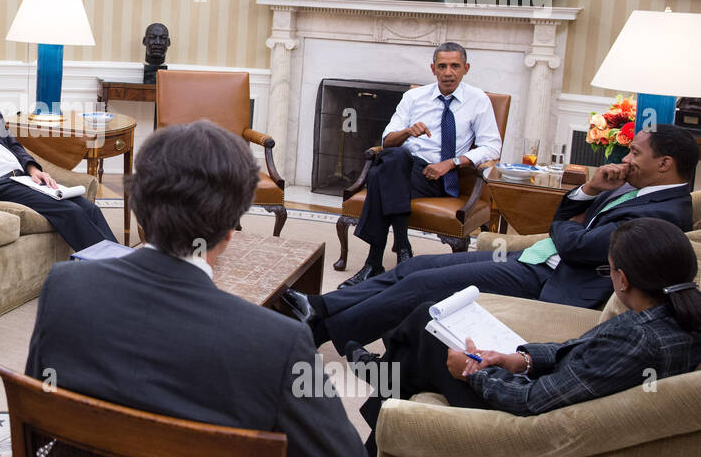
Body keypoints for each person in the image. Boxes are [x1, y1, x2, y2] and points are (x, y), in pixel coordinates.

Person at [25, 120, 369, 457]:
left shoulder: (64, 285)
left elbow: (44, 409)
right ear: (231, 230)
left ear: (139, 210)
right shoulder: (279, 340)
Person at [285, 124, 698, 354]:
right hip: (538, 258)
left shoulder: (662, 210)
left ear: (664, 163)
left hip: (553, 281)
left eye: (635, 154)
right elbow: (566, 223)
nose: (625, 159)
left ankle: (318, 332)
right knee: (414, 265)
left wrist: (572, 220)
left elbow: (574, 243)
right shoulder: (636, 190)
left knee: (420, 286)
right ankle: (320, 307)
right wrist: (588, 191)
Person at [348, 218, 701, 457]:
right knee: (428, 330)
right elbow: (582, 356)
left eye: (607, 271)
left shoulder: (636, 340)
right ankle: (384, 386)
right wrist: (520, 359)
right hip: (549, 397)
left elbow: (532, 401)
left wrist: (471, 374)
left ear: (622, 279)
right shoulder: (677, 317)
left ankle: (384, 375)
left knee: (428, 330)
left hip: (525, 427)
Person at [340, 41, 501, 286]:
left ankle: (374, 264)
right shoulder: (414, 97)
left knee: (378, 176)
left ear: (466, 68)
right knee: (393, 158)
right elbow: (388, 139)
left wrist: (451, 163)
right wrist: (407, 132)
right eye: (443, 66)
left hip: (441, 177)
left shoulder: (478, 100)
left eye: (455, 66)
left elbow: (492, 147)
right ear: (433, 68)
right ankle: (400, 249)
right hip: (407, 167)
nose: (449, 72)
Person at [0, 72, 116, 252]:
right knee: (70, 211)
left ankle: (128, 264)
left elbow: (14, 144)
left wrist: (33, 169)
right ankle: (111, 269)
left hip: (23, 178)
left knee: (89, 208)